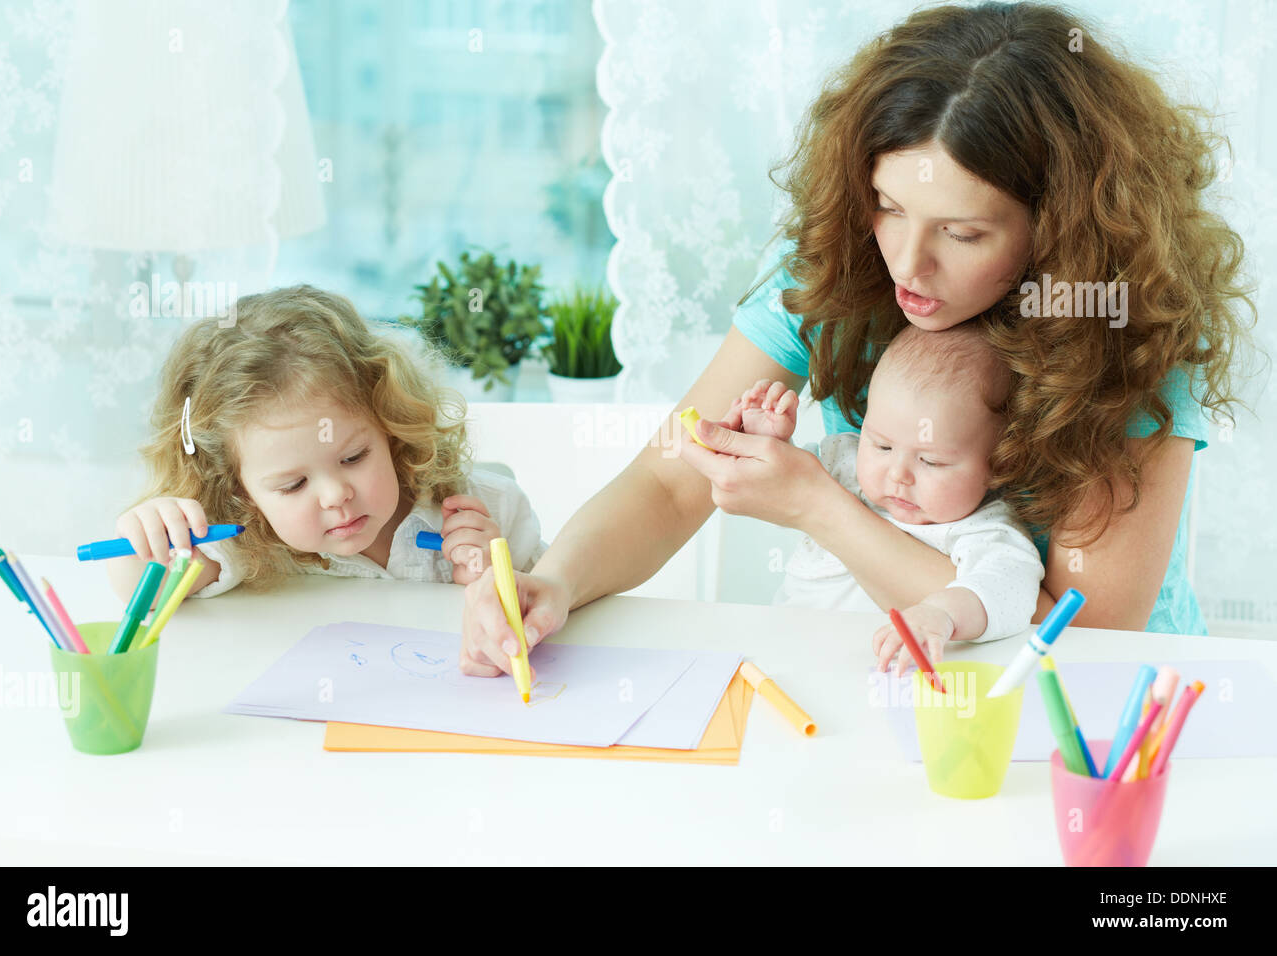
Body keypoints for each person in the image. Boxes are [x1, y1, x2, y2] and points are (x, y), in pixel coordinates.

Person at [458, 1, 1257, 680]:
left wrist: (818, 505)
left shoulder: (1125, 331)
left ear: (1059, 232)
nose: (908, 264)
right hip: (886, 669)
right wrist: (555, 580)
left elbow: (1075, 635)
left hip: (1084, 704)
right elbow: (673, 481)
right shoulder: (830, 271)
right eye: (888, 205)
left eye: (964, 231)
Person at [105, 285, 546, 608]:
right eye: (293, 484)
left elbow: (560, 603)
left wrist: (492, 581)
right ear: (239, 490)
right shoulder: (247, 540)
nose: (336, 495)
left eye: (353, 457)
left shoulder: (493, 509)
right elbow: (143, 595)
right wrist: (148, 538)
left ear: (390, 424)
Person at [733, 321, 1044, 669]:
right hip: (785, 661)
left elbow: (1009, 590)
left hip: (881, 679)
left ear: (998, 464)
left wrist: (942, 613)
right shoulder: (843, 465)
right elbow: (776, 484)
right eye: (882, 445)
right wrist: (769, 440)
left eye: (931, 461)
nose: (898, 474)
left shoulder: (984, 528)